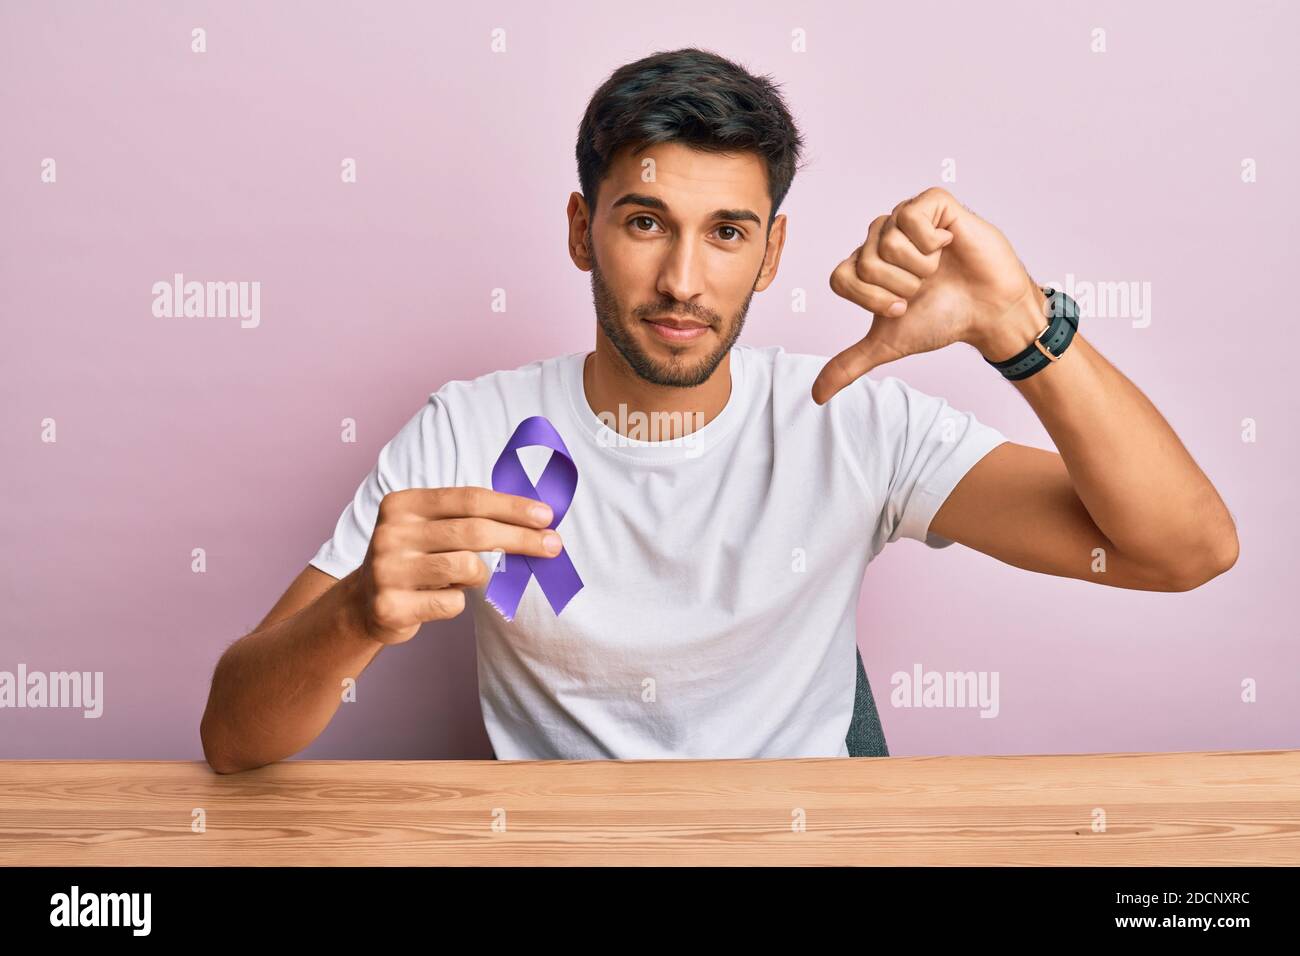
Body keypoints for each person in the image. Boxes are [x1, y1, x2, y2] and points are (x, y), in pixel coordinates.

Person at [200, 48, 1238, 773]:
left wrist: (1018, 325)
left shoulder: (849, 420)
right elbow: (233, 738)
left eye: (728, 232)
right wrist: (352, 615)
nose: (682, 280)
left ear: (772, 253)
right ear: (581, 229)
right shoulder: (474, 431)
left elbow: (1182, 549)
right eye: (645, 221)